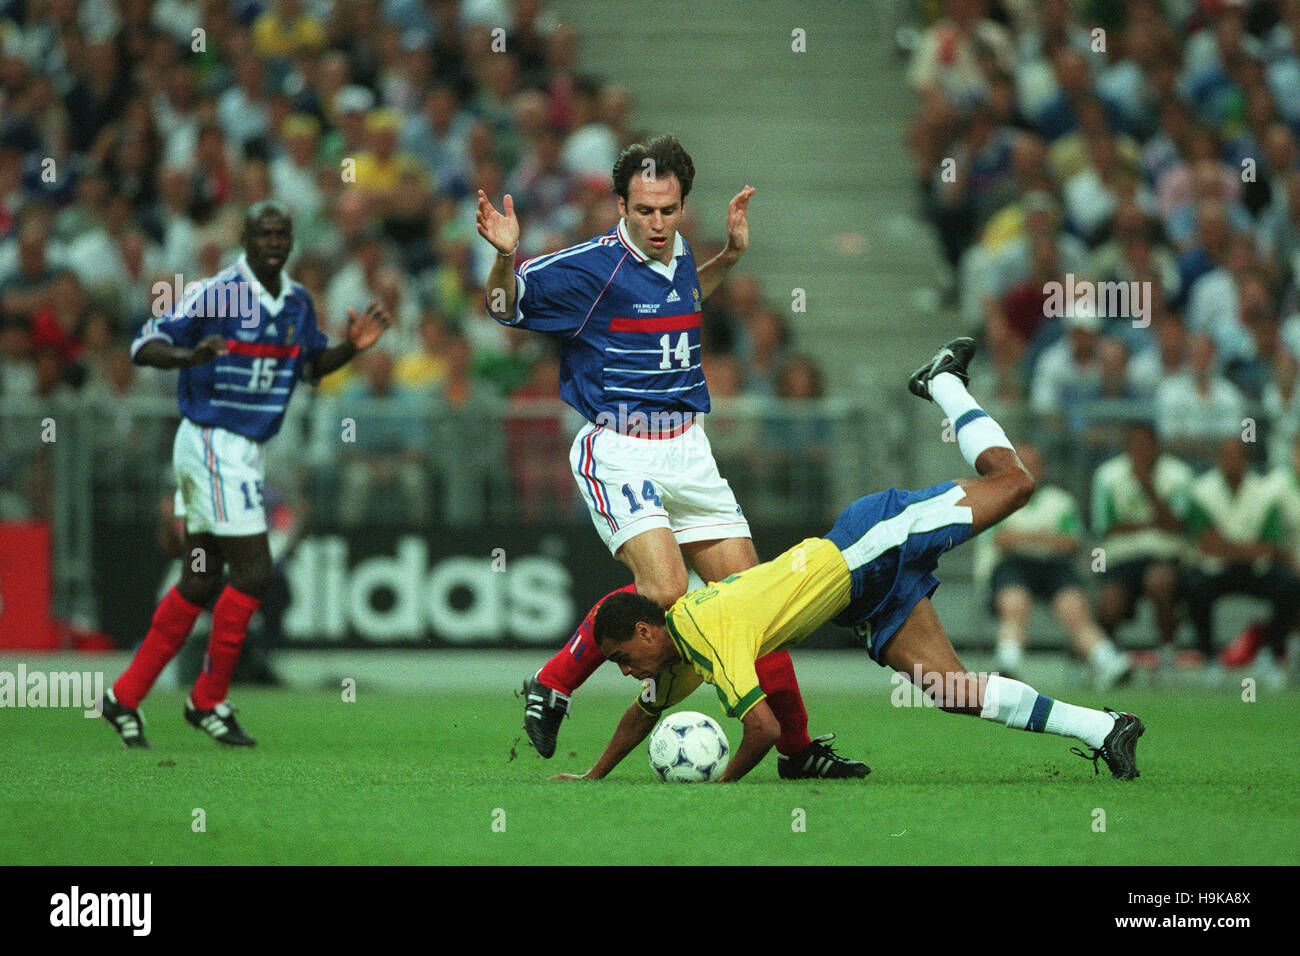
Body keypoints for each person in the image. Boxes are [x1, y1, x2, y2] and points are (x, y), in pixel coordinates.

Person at [562, 339, 1144, 783]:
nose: (624, 670)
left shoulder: (702, 635)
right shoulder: (681, 653)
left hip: (873, 542)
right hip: (861, 593)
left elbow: (762, 729)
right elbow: (643, 715)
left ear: (646, 631)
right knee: (951, 690)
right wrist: (592, 777)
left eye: (620, 658)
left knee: (1016, 485)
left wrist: (721, 785)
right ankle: (1107, 729)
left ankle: (942, 382)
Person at [478, 134, 865, 778]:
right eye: (644, 210)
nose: (658, 223)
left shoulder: (680, 251)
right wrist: (506, 255)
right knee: (663, 588)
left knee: (754, 611)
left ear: (683, 202)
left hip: (688, 447)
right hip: (622, 445)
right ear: (621, 205)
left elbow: (681, 300)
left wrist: (730, 258)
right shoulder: (589, 269)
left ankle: (797, 753)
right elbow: (502, 306)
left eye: (669, 209)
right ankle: (554, 681)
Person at [98, 201, 391, 748]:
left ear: (291, 239)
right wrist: (190, 357)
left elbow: (306, 367)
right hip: (211, 440)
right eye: (265, 232)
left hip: (242, 450)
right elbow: (145, 344)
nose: (275, 240)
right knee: (255, 571)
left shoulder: (298, 302)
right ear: (247, 237)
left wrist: (350, 348)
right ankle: (207, 699)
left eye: (283, 232)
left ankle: (125, 696)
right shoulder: (216, 292)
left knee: (202, 578)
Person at [977, 442, 1132, 689]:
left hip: (1053, 567)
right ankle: (1008, 666)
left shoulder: (1060, 501)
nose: (1026, 470)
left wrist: (1025, 538)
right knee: (1014, 603)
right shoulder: (997, 498)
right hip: (1011, 565)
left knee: (1074, 608)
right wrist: (1044, 538)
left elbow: (1070, 543)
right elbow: (1001, 539)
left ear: (1042, 469)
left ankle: (1109, 663)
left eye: (1032, 465)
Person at [1182, 437, 1299, 689]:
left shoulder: (1265, 492)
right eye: (1226, 456)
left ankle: (1273, 654)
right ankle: (1209, 657)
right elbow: (1205, 544)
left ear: (1246, 460)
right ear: (1218, 459)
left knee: (1290, 585)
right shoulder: (1201, 490)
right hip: (1214, 569)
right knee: (1193, 586)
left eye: (1237, 456)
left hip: (1256, 569)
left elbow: (1272, 545)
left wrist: (1226, 547)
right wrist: (1249, 548)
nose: (1231, 462)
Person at [1091, 422, 1194, 673]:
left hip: (1165, 554)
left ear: (1157, 447)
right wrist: (1150, 523)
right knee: (1110, 600)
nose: (1140, 451)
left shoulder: (1179, 475)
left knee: (1160, 582)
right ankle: (1107, 660)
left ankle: (1167, 651)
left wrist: (1147, 485)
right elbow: (1104, 527)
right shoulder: (1106, 476)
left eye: (1146, 445)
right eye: (1134, 445)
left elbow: (1177, 526)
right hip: (1121, 557)